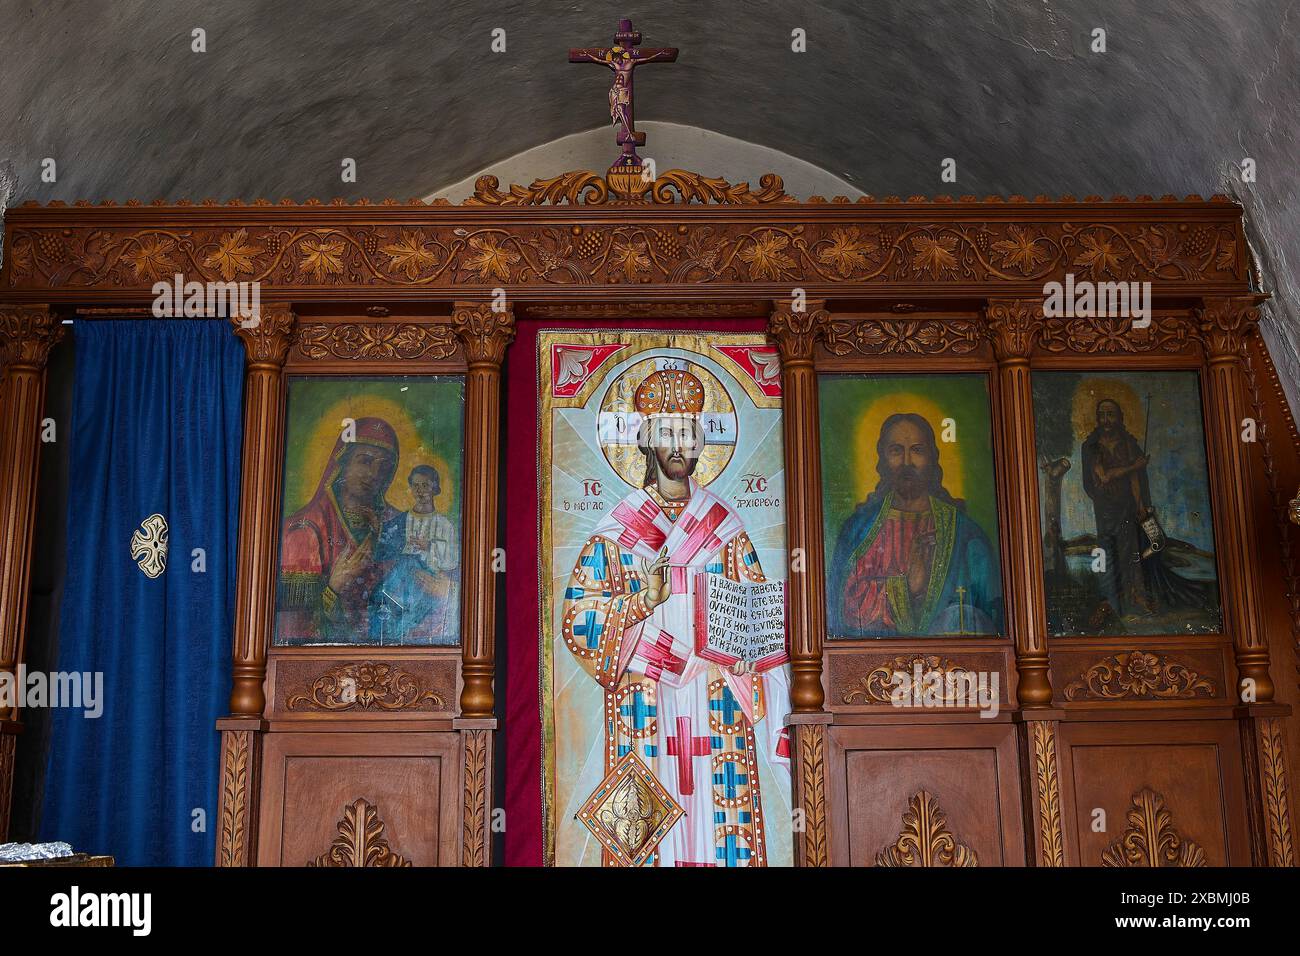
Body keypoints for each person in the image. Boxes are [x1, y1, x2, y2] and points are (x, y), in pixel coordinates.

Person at [560, 368, 789, 867]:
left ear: (702, 437)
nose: (679, 444)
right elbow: (578, 619)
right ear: (646, 440)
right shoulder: (616, 531)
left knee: (716, 821)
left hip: (714, 694)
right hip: (645, 693)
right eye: (667, 432)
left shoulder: (725, 527)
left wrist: (752, 660)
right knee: (649, 835)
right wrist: (643, 600)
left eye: (687, 430)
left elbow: (760, 617)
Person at [829, 413, 1000, 636]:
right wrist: (906, 587)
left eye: (917, 450)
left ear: (932, 457)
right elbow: (839, 609)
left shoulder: (965, 533)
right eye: (896, 450)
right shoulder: (857, 530)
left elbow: (989, 614)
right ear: (882, 459)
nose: (907, 462)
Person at [277, 418, 400, 643]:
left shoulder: (396, 525)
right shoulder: (304, 529)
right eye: (365, 461)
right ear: (341, 464)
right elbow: (293, 625)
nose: (373, 474)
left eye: (383, 467)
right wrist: (333, 588)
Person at [372, 464, 460, 644]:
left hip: (429, 586)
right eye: (416, 485)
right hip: (399, 583)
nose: (420, 491)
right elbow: (383, 555)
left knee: (415, 623)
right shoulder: (398, 522)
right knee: (379, 605)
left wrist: (429, 546)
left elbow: (452, 562)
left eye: (425, 485)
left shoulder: (444, 525)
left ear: (435, 488)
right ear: (411, 488)